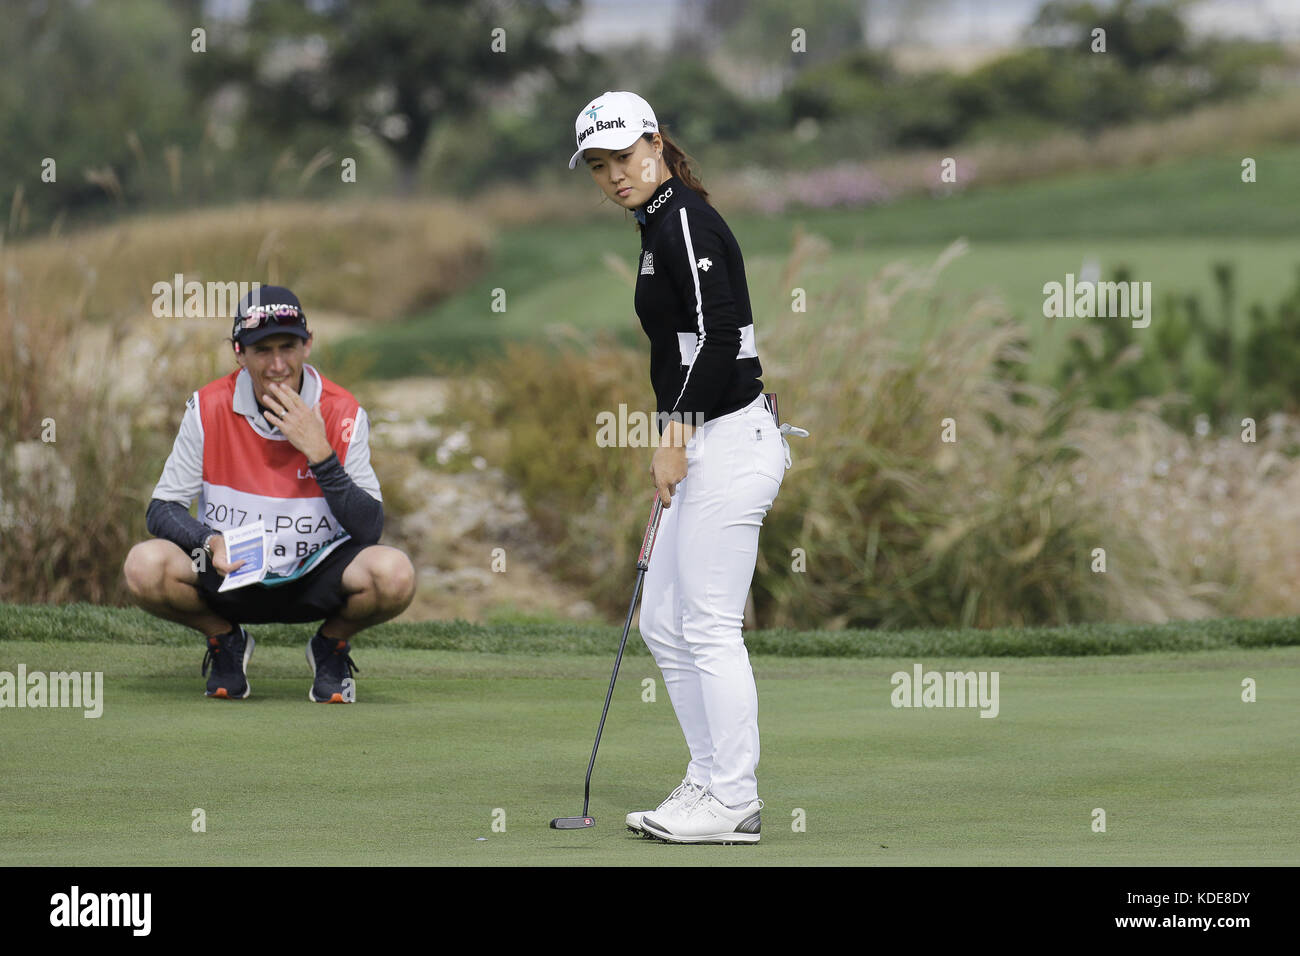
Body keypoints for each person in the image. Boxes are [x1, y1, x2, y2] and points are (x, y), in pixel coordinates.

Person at [570, 91, 798, 844]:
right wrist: (679, 437)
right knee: (665, 622)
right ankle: (707, 781)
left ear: (657, 142)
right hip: (705, 443)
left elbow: (722, 331)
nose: (614, 175)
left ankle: (734, 797)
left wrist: (676, 431)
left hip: (730, 444)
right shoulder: (656, 223)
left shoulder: (686, 219)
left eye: (624, 157)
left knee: (705, 625)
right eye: (598, 166)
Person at [122, 287, 416, 703]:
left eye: (288, 347)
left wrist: (320, 454)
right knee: (143, 566)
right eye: (263, 350)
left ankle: (330, 645)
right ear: (239, 353)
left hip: (317, 573)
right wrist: (209, 541)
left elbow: (369, 528)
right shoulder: (207, 407)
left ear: (307, 344)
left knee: (395, 575)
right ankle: (225, 639)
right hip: (234, 569)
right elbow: (161, 509)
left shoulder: (343, 411)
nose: (278, 365)